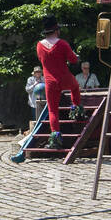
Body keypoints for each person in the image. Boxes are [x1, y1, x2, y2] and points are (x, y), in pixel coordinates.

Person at [36, 17, 84, 149]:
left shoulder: (39, 45)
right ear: (56, 30)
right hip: (64, 78)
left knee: (53, 110)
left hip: (50, 82)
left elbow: (42, 60)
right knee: (75, 87)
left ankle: (55, 139)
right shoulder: (62, 44)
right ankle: (76, 110)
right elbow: (74, 60)